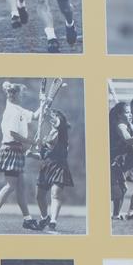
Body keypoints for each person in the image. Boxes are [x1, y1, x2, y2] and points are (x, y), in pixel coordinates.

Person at [0, 81, 37, 231]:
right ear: (15, 95)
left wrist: (45, 103)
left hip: (16, 151)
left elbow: (35, 116)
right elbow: (13, 134)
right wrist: (31, 141)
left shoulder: (18, 109)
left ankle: (27, 219)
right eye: (22, 93)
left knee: (20, 187)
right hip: (10, 150)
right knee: (11, 186)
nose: (24, 95)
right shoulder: (12, 112)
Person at [32, 82, 76, 232]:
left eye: (55, 117)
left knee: (55, 194)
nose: (52, 118)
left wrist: (46, 105)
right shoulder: (46, 136)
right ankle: (44, 218)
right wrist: (31, 153)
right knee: (39, 196)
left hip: (59, 166)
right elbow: (43, 156)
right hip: (46, 167)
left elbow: (56, 120)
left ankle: (53, 221)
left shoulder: (61, 130)